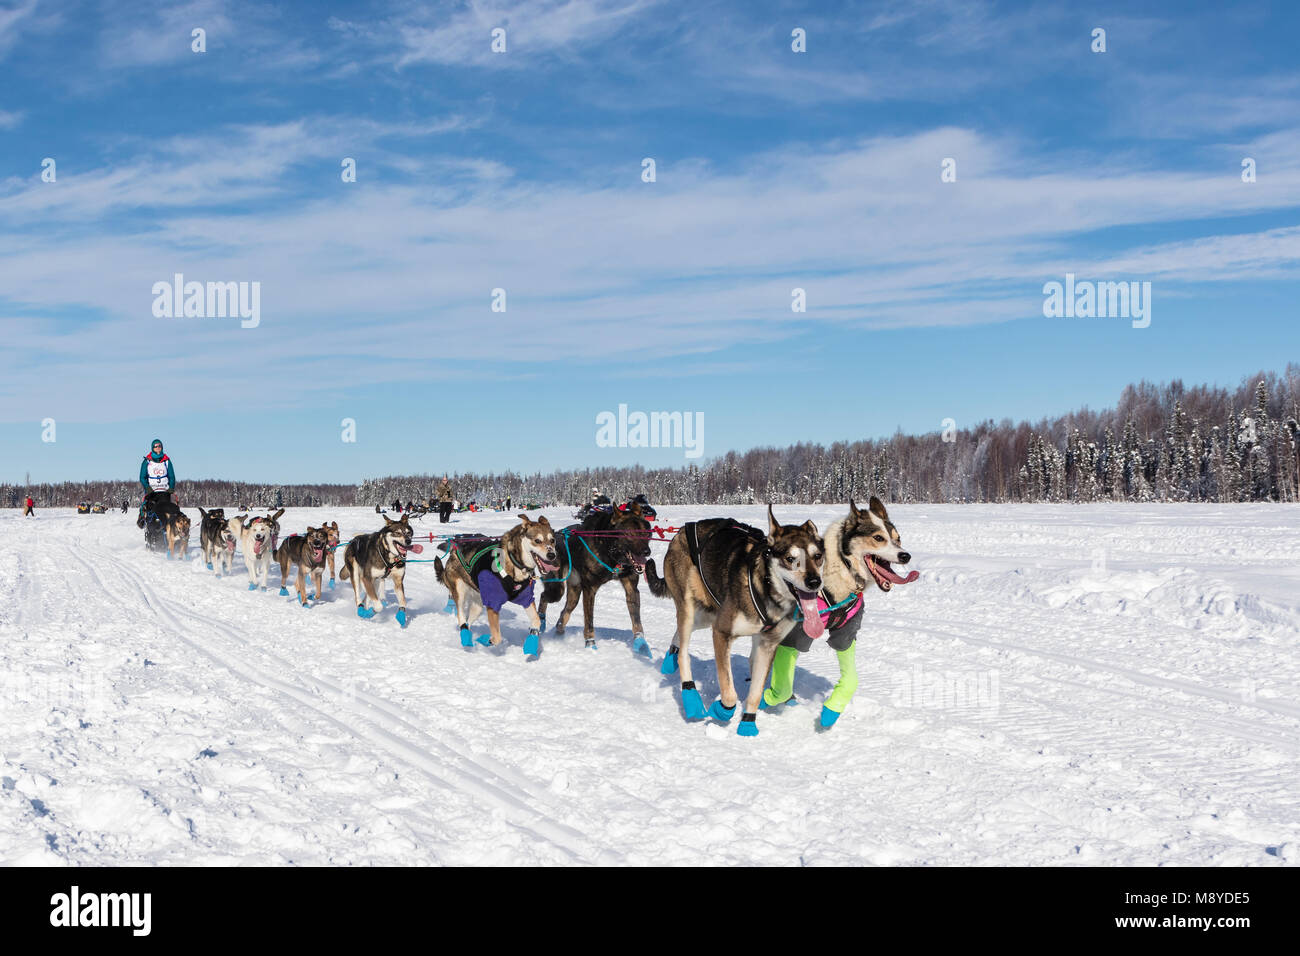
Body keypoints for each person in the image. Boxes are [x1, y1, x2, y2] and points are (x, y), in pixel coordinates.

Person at [137, 438, 178, 532]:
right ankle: (142, 519)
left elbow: (172, 476)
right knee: (147, 506)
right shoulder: (147, 461)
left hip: (165, 490)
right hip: (152, 490)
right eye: (156, 446)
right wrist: (147, 487)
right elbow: (142, 477)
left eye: (159, 446)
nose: (158, 448)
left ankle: (172, 527)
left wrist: (171, 488)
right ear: (152, 448)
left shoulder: (167, 461)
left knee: (171, 506)